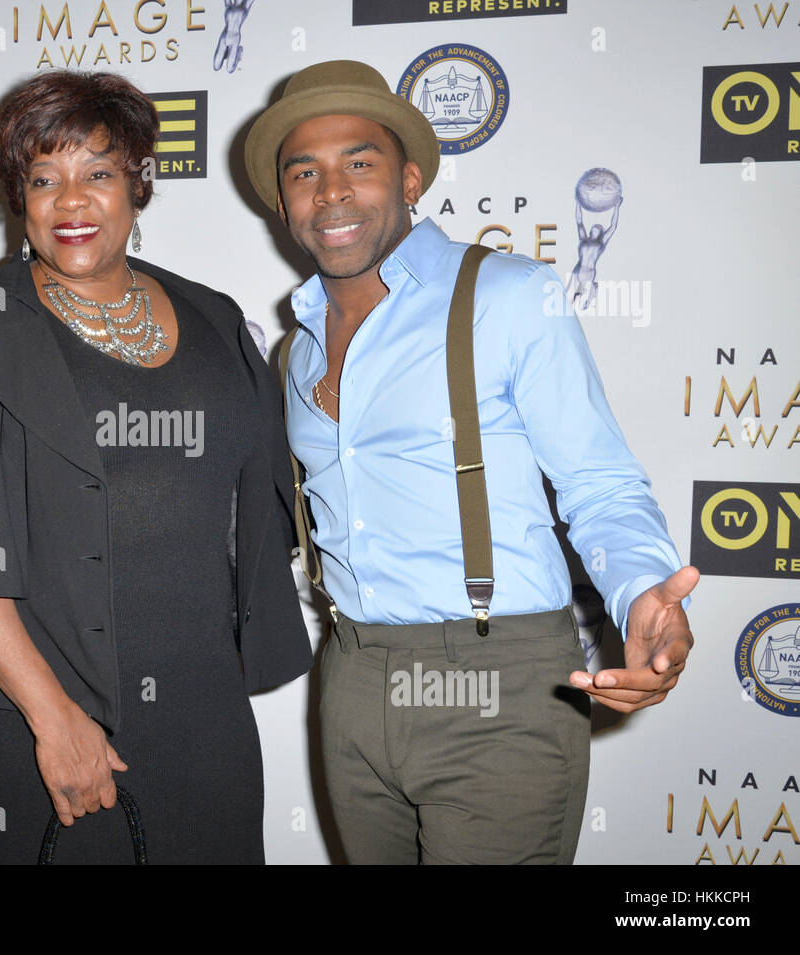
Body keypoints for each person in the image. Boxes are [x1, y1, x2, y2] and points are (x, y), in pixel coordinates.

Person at [243, 60, 698, 864]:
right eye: (304, 172)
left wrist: (641, 593)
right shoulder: (293, 348)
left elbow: (599, 483)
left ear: (410, 178)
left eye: (360, 161)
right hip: (350, 680)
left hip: (498, 684)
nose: (332, 191)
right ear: (284, 203)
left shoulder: (511, 295)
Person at [0, 71, 311, 864]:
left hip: (202, 705)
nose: (71, 201)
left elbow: (259, 498)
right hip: (52, 710)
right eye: (44, 179)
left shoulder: (213, 317)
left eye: (97, 173)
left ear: (138, 185)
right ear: (18, 198)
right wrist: (55, 718)